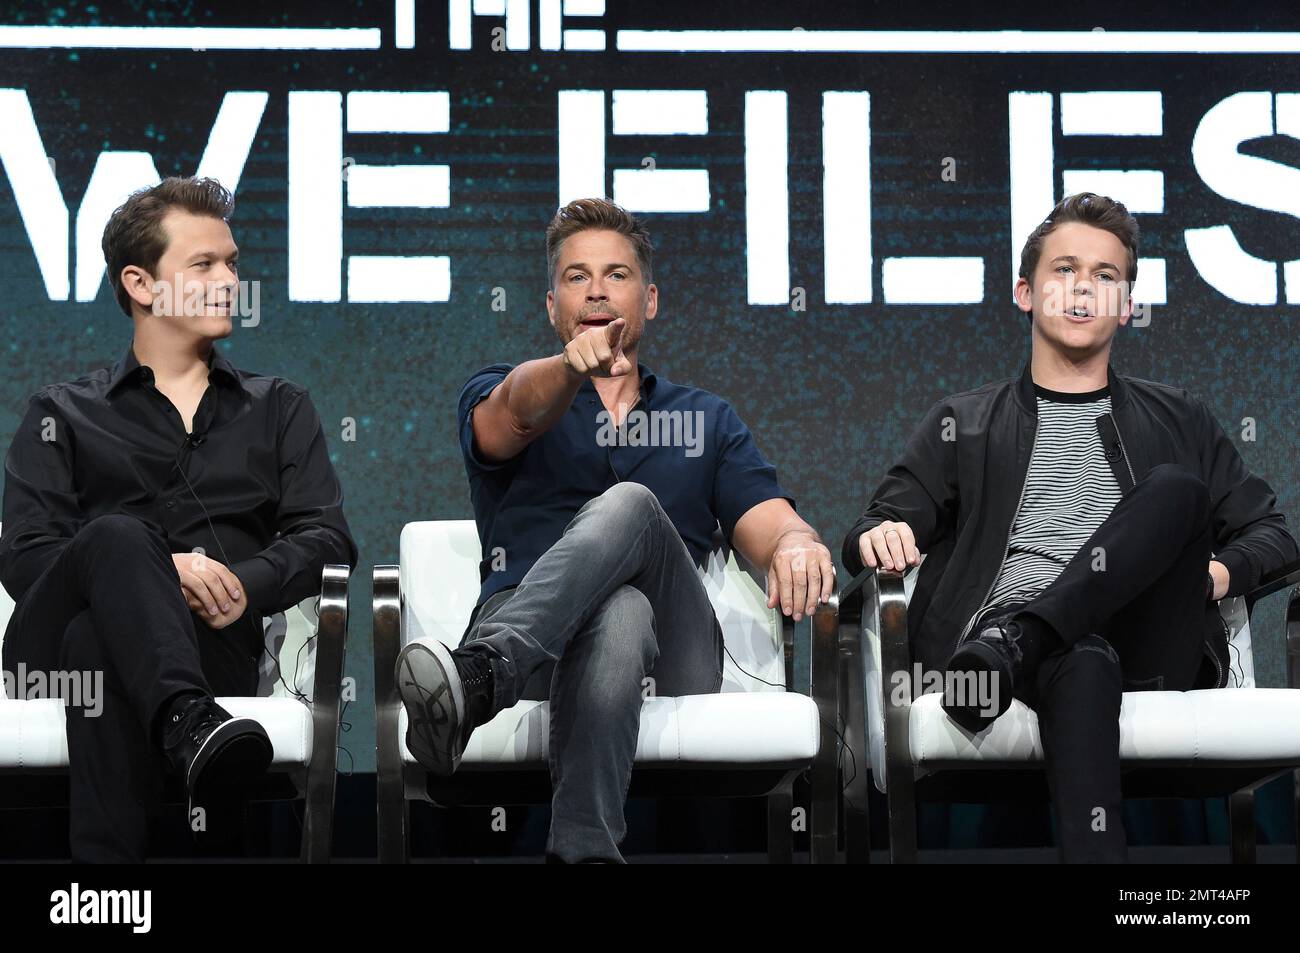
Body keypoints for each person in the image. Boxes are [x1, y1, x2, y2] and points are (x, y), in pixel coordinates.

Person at [842, 192, 1298, 862]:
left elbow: (1275, 533)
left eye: (1105, 276)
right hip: (1020, 643)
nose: (1083, 288)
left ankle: (1024, 639)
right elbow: (874, 525)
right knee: (1081, 657)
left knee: (1176, 489)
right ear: (1025, 292)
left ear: (1127, 304)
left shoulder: (1180, 418)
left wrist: (1217, 574)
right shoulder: (963, 423)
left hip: (1135, 638)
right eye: (1064, 271)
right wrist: (877, 535)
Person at [396, 197, 834, 863]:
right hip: (542, 647)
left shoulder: (705, 418)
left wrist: (796, 542)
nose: (596, 289)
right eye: (576, 277)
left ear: (649, 300)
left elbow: (769, 522)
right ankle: (584, 851)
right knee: (619, 609)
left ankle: (482, 674)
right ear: (552, 307)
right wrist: (572, 367)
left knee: (630, 507)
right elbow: (509, 416)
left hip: (677, 652)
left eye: (616, 275)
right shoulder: (507, 390)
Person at [0, 176, 358, 862]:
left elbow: (327, 536)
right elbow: (26, 556)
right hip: (43, 661)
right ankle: (190, 723)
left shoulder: (278, 407)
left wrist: (239, 583)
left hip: (207, 645)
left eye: (232, 263)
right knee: (114, 538)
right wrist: (156, 568)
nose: (228, 279)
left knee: (96, 639)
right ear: (140, 284)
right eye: (203, 264)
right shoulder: (62, 413)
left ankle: (112, 881)